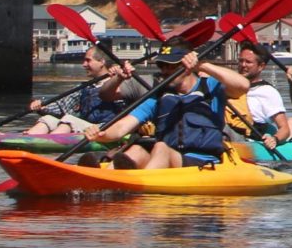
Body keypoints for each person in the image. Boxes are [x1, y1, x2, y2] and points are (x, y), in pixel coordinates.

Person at [90, 46, 249, 169]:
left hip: (203, 161)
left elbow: (243, 85)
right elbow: (121, 127)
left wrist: (202, 65)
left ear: (187, 67)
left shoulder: (211, 88)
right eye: (162, 66)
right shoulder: (159, 97)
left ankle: (142, 191)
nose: (165, 71)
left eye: (171, 66)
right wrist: (100, 134)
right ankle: (103, 182)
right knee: (136, 151)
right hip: (167, 161)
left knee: (160, 147)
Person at [22, 43, 149, 136]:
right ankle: (26, 139)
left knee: (68, 120)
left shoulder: (124, 84)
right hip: (84, 127)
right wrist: (42, 106)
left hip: (106, 130)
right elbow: (61, 107)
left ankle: (48, 143)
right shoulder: (84, 87)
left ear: (102, 62)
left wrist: (119, 77)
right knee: (48, 120)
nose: (84, 64)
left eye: (88, 60)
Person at [228, 44, 292, 150]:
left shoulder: (267, 92)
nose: (243, 65)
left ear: (261, 66)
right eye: (241, 61)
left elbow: (284, 128)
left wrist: (275, 139)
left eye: (248, 62)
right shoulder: (228, 86)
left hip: (247, 139)